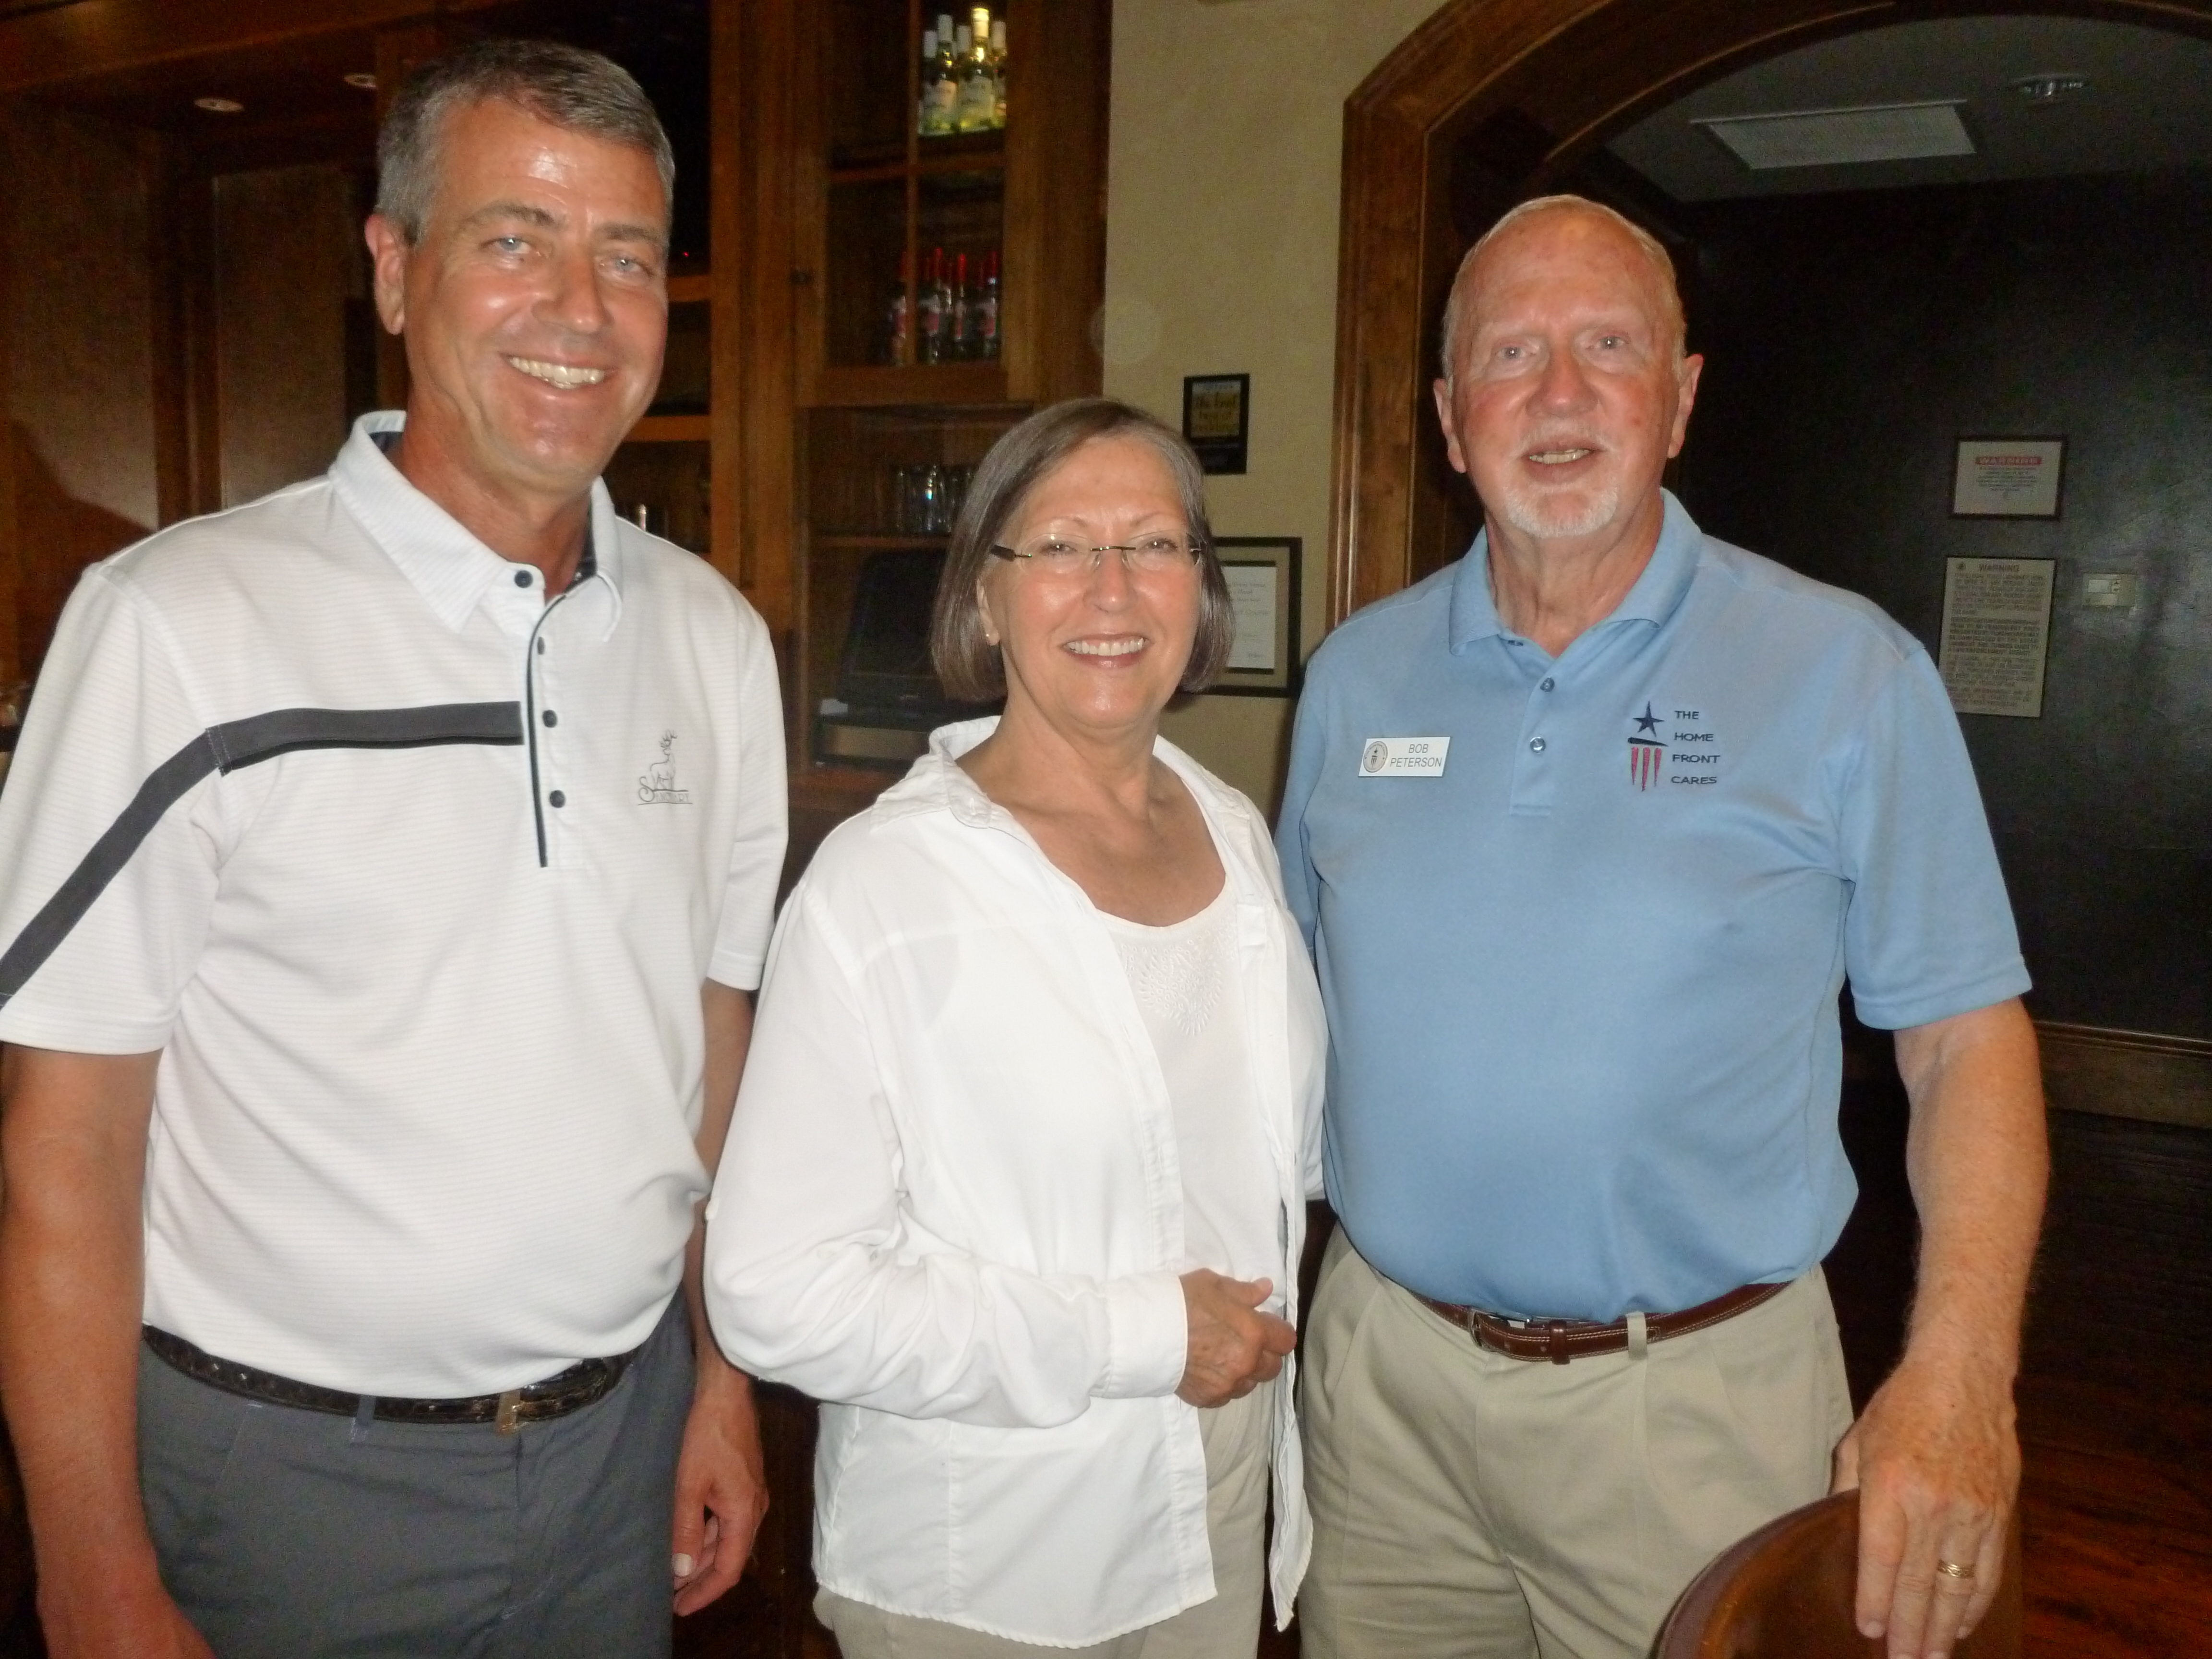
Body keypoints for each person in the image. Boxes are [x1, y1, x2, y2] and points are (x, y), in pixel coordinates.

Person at [0, 39, 784, 1659]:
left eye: (626, 256)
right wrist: (92, 1579)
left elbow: (711, 1053)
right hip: (285, 1482)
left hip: (619, 1443)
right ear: (394, 264)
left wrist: (723, 1380)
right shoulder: (176, 628)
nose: (580, 309)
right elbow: (64, 1143)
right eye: (515, 238)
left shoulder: (710, 638)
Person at [1278, 195, 2045, 1659]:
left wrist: (1959, 1378)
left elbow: (1964, 1041)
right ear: (1450, 418)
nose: (1558, 394)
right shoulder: (1357, 681)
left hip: (1693, 1413)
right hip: (1380, 1396)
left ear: (1681, 397)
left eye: (1608, 345)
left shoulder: (1844, 673)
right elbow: (1280, 1012)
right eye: (1510, 354)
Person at [702, 398, 1325, 1657]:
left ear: (1202, 595)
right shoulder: (881, 890)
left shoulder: (1239, 839)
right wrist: (1146, 1335)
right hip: (993, 1564)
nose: (1111, 588)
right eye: (1058, 548)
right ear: (986, 596)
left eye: (1152, 545)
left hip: (1218, 1501)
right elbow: (774, 1296)